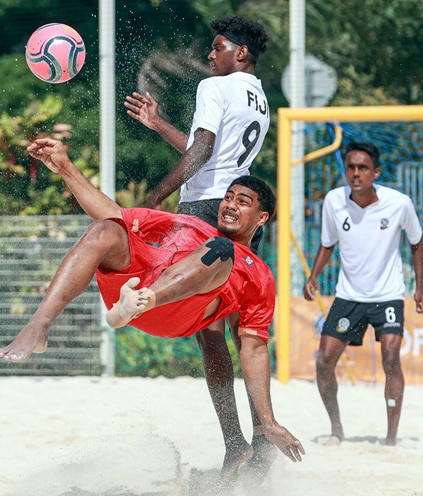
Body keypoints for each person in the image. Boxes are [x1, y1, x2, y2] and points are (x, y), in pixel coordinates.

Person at [0, 137, 305, 468]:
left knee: (221, 250)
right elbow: (113, 212)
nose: (229, 204)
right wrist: (65, 167)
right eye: (227, 197)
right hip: (132, 285)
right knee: (105, 228)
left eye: (242, 202)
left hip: (171, 309)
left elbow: (254, 350)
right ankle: (39, 324)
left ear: (261, 219)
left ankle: (142, 301)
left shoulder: (258, 274)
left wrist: (268, 422)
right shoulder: (188, 223)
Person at [124, 16, 275, 477]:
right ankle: (262, 439)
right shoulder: (260, 96)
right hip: (241, 209)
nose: (211, 55)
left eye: (218, 47)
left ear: (240, 53)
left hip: (208, 210)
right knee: (245, 334)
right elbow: (211, 149)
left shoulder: (215, 87)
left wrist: (154, 199)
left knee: (210, 333)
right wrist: (158, 124)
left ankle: (235, 445)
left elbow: (203, 150)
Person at [303, 142, 423, 446]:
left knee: (390, 358)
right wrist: (314, 275)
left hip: (388, 295)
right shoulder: (333, 201)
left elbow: (416, 242)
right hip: (349, 297)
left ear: (376, 172)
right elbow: (328, 243)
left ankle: (390, 438)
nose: (355, 173)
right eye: (350, 167)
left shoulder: (399, 203)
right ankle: (337, 429)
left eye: (362, 168)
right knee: (324, 362)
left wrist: (419, 287)